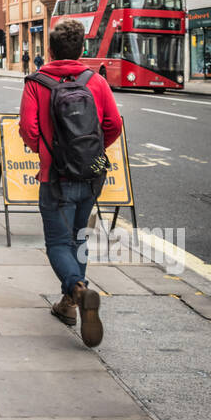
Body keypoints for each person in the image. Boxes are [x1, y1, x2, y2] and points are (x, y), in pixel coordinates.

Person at [19, 18, 123, 347]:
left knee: (57, 244)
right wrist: (89, 152)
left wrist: (47, 152)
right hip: (92, 176)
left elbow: (29, 130)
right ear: (81, 50)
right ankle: (69, 304)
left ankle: (78, 290)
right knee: (79, 238)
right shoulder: (96, 81)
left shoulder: (37, 83)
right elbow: (113, 125)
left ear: (49, 50)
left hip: (56, 177)